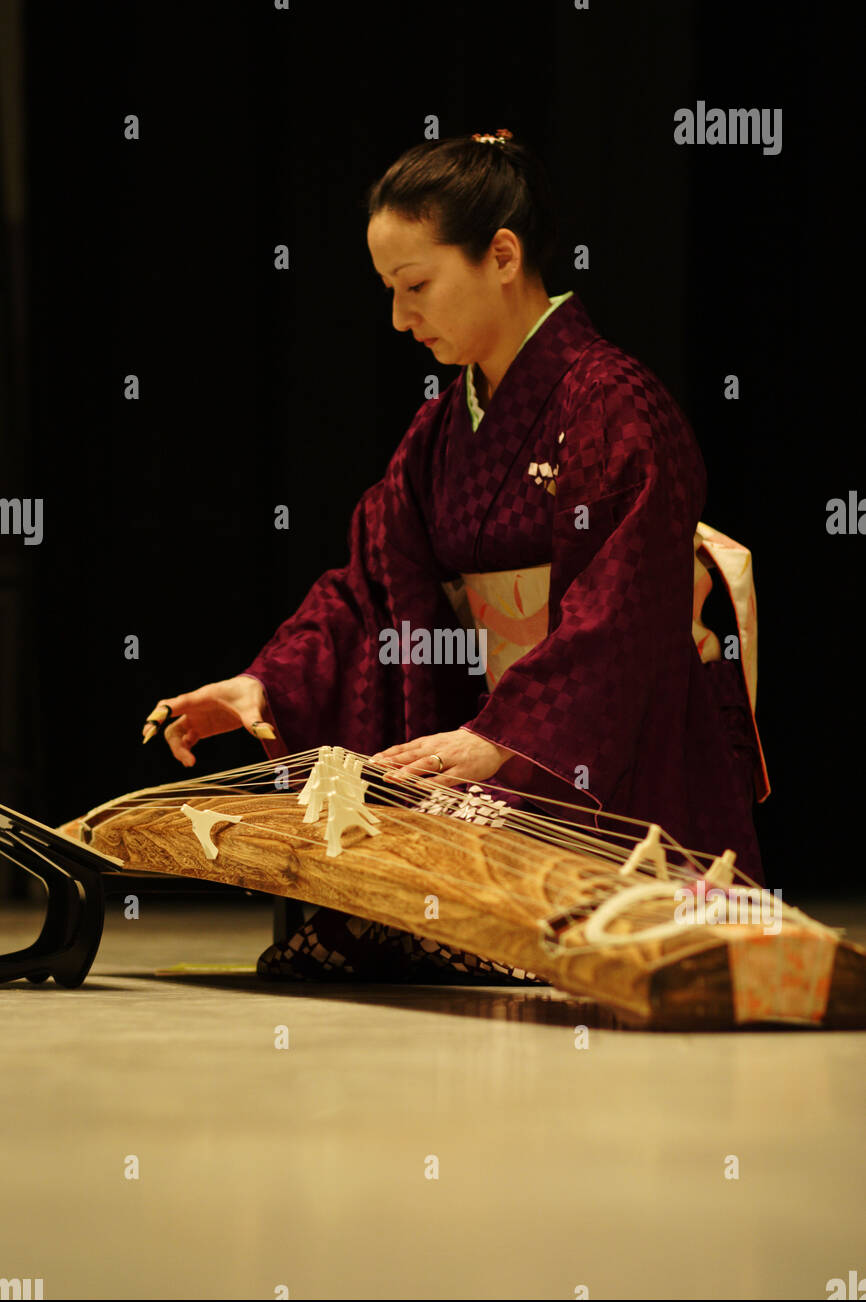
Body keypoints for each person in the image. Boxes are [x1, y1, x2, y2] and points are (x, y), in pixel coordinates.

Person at [141, 130, 770, 981]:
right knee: (360, 919)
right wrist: (268, 681)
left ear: (502, 255)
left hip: (606, 752)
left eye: (415, 287)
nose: (400, 318)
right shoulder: (440, 429)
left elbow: (618, 624)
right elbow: (369, 589)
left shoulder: (617, 406)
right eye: (392, 293)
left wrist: (503, 736)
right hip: (494, 737)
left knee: (544, 924)